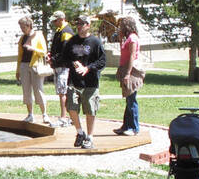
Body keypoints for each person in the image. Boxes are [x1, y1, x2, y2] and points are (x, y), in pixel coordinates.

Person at [64, 14, 107, 149]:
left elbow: (102, 61)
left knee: (90, 110)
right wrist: (56, 60)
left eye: (82, 24)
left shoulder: (95, 42)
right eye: (77, 24)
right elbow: (64, 58)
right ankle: (80, 132)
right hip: (73, 81)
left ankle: (90, 137)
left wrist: (87, 68)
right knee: (71, 107)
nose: (79, 26)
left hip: (90, 82)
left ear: (88, 25)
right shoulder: (71, 41)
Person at [15, 15, 50, 124]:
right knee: (26, 91)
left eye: (23, 27)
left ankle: (45, 114)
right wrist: (18, 70)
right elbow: (20, 55)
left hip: (35, 66)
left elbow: (43, 51)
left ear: (29, 25)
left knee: (38, 90)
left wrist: (33, 48)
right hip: (24, 65)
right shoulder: (22, 38)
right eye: (20, 27)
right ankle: (30, 114)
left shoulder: (38, 35)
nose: (22, 29)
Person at [114, 15, 142, 135]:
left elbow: (132, 56)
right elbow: (124, 52)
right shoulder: (127, 38)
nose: (120, 28)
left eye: (122, 26)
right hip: (126, 69)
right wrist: (121, 40)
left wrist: (127, 74)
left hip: (132, 71)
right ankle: (126, 126)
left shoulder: (133, 38)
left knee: (132, 100)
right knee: (128, 100)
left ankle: (134, 128)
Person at [46, 11, 75, 128]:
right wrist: (50, 55)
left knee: (63, 92)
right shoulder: (59, 31)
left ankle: (64, 118)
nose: (54, 23)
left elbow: (65, 51)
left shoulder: (66, 32)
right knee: (61, 91)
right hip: (58, 65)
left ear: (62, 19)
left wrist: (52, 59)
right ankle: (70, 117)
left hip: (64, 66)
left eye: (55, 20)